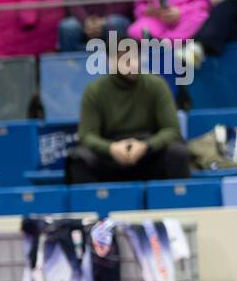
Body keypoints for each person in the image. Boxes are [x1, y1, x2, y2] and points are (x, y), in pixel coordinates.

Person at [65, 38, 190, 184]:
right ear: (110, 61)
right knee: (78, 158)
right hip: (111, 153)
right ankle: (92, 205)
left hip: (149, 152)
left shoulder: (157, 85)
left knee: (178, 153)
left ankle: (176, 203)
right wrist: (110, 148)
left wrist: (146, 146)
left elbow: (172, 130)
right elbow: (86, 135)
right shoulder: (94, 91)